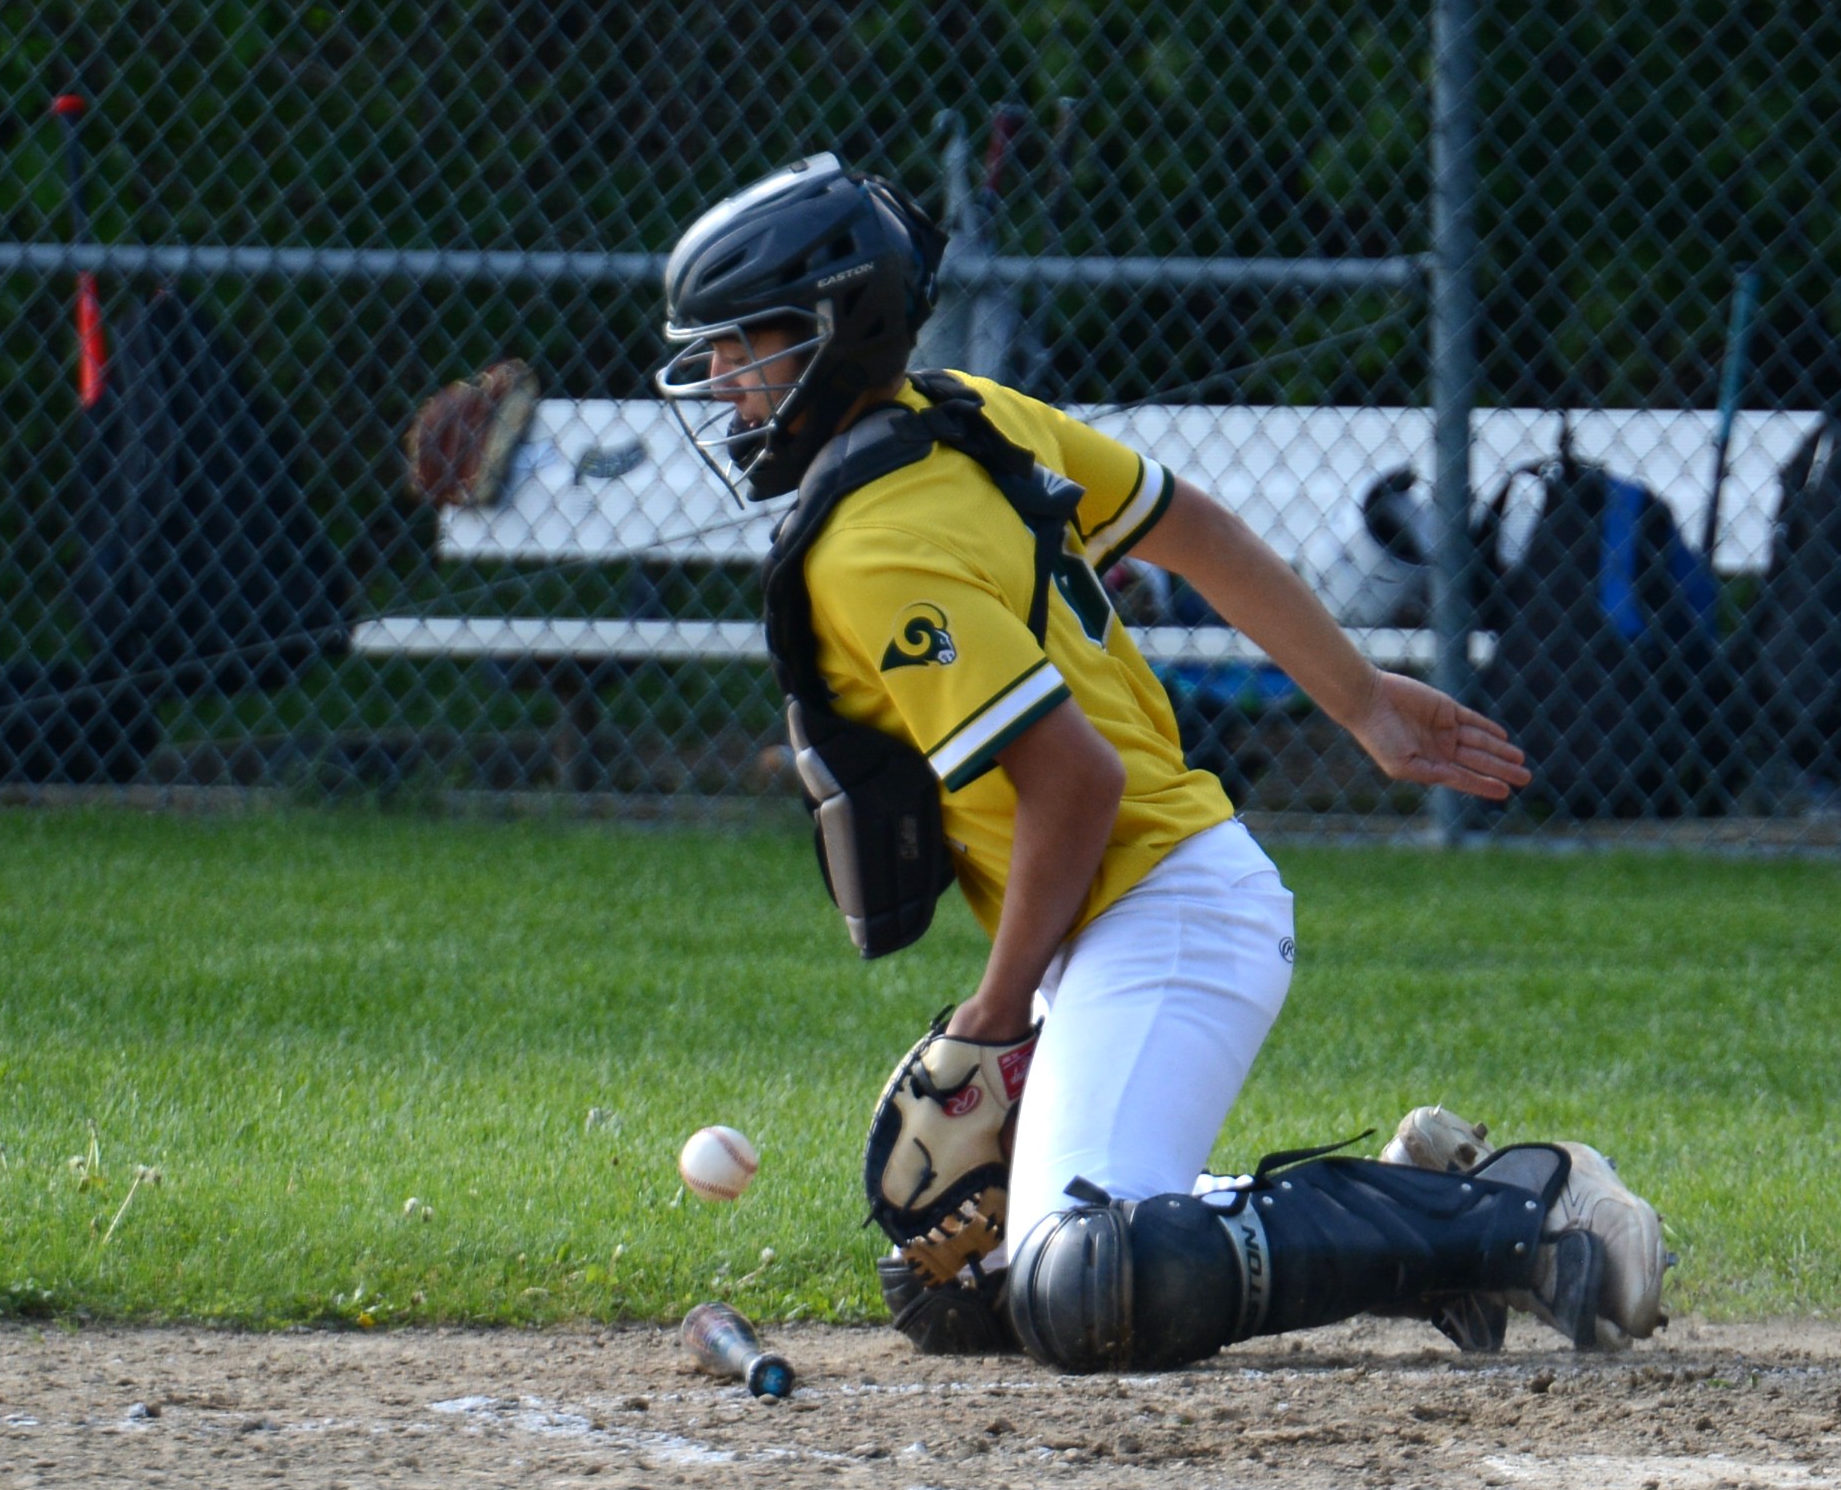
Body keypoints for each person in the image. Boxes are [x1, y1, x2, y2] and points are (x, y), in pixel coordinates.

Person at [652, 153, 1672, 1368]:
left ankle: (1525, 1214)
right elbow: (1198, 528)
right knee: (962, 1283)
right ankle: (1405, 1198)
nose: (720, 378)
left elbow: (1078, 785)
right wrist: (1356, 701)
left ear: (832, 331)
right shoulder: (962, 414)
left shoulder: (866, 547)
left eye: (744, 345)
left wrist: (992, 1016)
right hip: (1127, 917)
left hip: (1163, 910)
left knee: (1080, 1282)